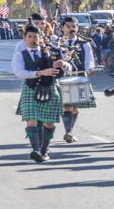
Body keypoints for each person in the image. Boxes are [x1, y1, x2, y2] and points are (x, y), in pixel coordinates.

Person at [12, 24, 69, 162]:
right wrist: (40, 73)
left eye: (35, 37)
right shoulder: (20, 54)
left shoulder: (52, 51)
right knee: (31, 121)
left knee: (49, 123)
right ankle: (36, 150)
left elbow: (68, 69)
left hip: (50, 88)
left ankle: (44, 150)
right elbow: (19, 73)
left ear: (40, 37)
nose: (33, 39)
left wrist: (64, 64)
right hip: (30, 89)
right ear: (24, 38)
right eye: (30, 37)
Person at [55, 17, 97, 144]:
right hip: (62, 77)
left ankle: (70, 131)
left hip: (78, 75)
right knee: (67, 106)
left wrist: (90, 69)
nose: (72, 28)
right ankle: (68, 132)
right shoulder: (56, 43)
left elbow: (89, 60)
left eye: (74, 26)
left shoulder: (84, 43)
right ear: (62, 28)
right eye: (68, 26)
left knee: (74, 107)